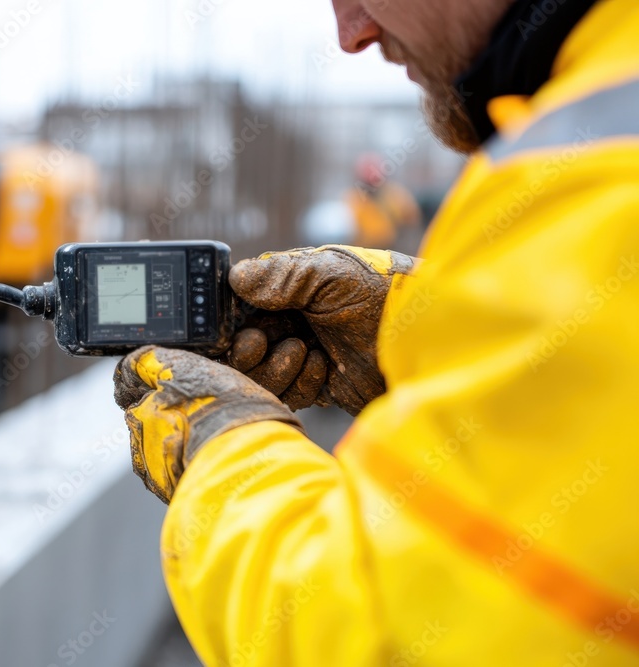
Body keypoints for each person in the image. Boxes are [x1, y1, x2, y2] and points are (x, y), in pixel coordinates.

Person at [113, 0, 639, 664]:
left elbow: (371, 634)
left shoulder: (599, 174)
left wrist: (218, 443)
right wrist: (411, 324)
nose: (351, 33)